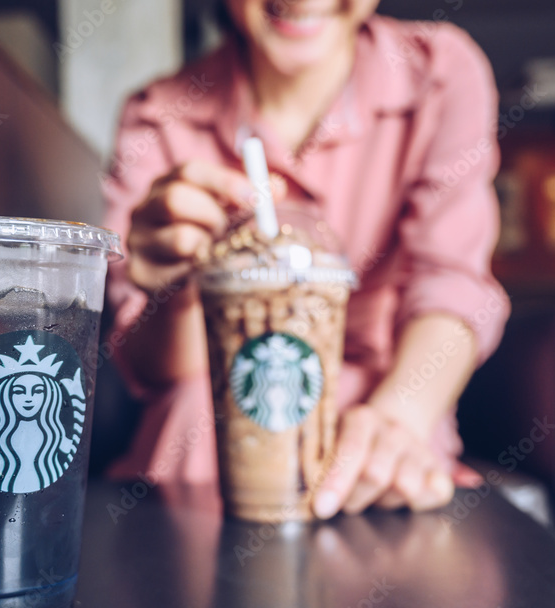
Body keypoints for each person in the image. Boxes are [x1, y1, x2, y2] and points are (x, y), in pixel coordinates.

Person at [101, 0, 510, 515]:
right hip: (204, 429)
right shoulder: (158, 117)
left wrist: (398, 418)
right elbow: (154, 366)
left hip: (388, 402)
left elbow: (450, 283)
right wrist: (177, 289)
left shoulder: (440, 72)